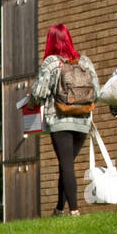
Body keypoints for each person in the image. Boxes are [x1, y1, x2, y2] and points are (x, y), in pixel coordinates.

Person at [30, 24, 101, 216]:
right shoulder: (85, 62)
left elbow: (39, 92)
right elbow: (98, 92)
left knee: (67, 164)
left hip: (60, 119)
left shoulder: (51, 63)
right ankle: (59, 208)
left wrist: (31, 98)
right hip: (83, 120)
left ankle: (74, 210)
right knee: (66, 163)